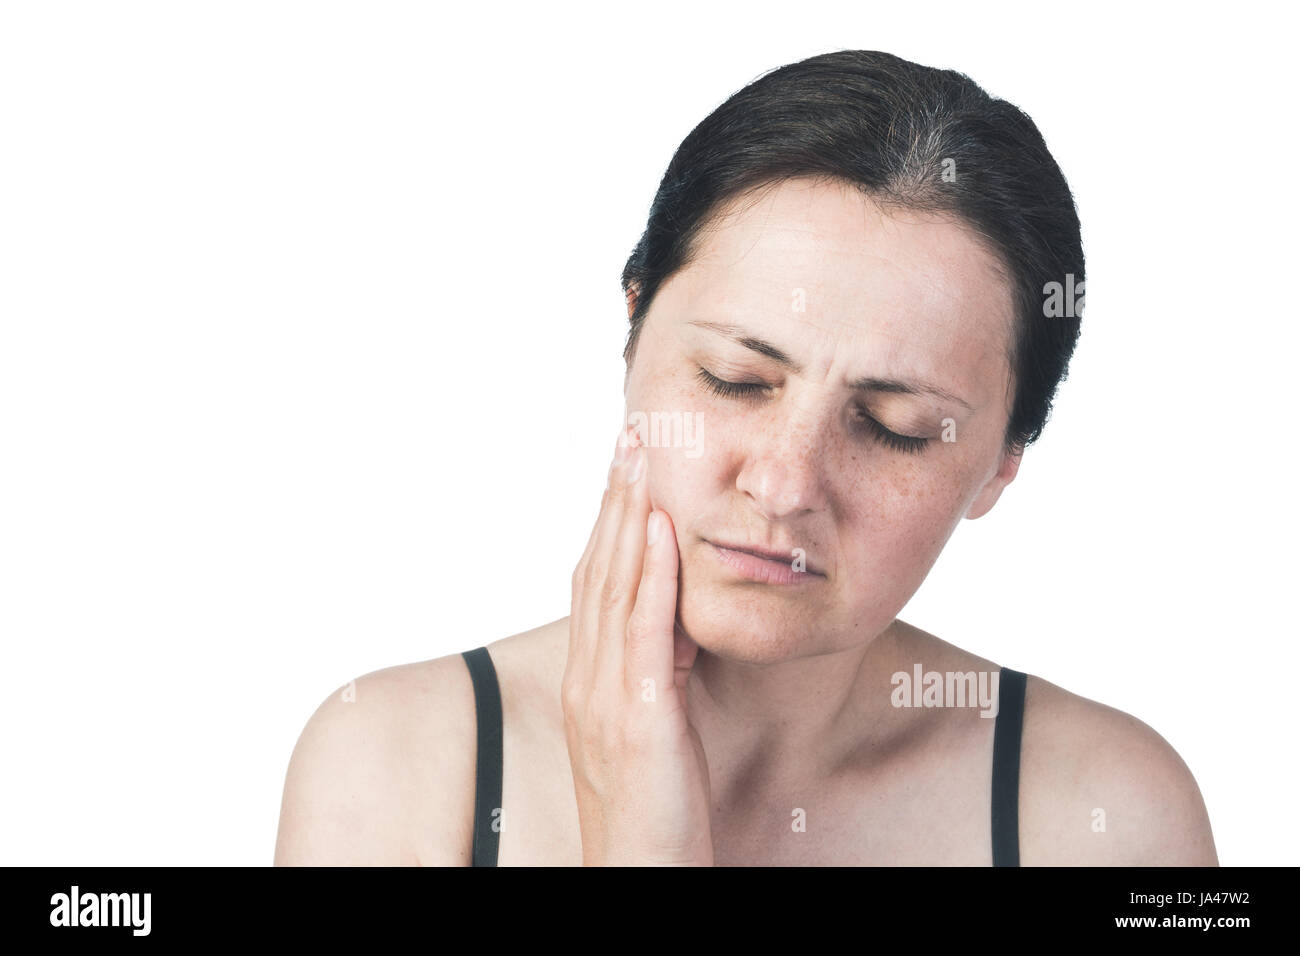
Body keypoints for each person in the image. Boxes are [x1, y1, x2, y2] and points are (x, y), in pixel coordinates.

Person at [273, 49, 1217, 866]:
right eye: (734, 378)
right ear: (634, 329)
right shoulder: (394, 767)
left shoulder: (1110, 816)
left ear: (1001, 467)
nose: (783, 483)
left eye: (891, 424)